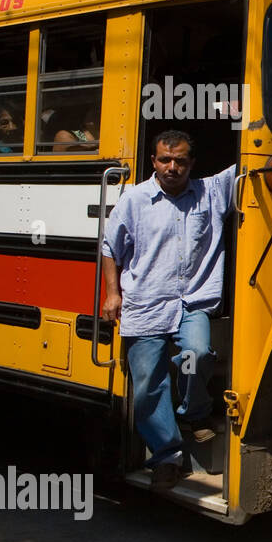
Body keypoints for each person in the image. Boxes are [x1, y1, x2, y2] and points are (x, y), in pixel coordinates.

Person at [101, 130, 236, 491]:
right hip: (145, 303)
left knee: (195, 353)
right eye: (165, 159)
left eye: (180, 161)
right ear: (154, 162)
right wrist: (112, 294)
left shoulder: (212, 191)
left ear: (192, 164)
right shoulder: (134, 199)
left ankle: (193, 412)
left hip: (191, 302)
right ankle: (167, 457)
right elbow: (110, 247)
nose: (172, 167)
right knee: (148, 386)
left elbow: (258, 162)